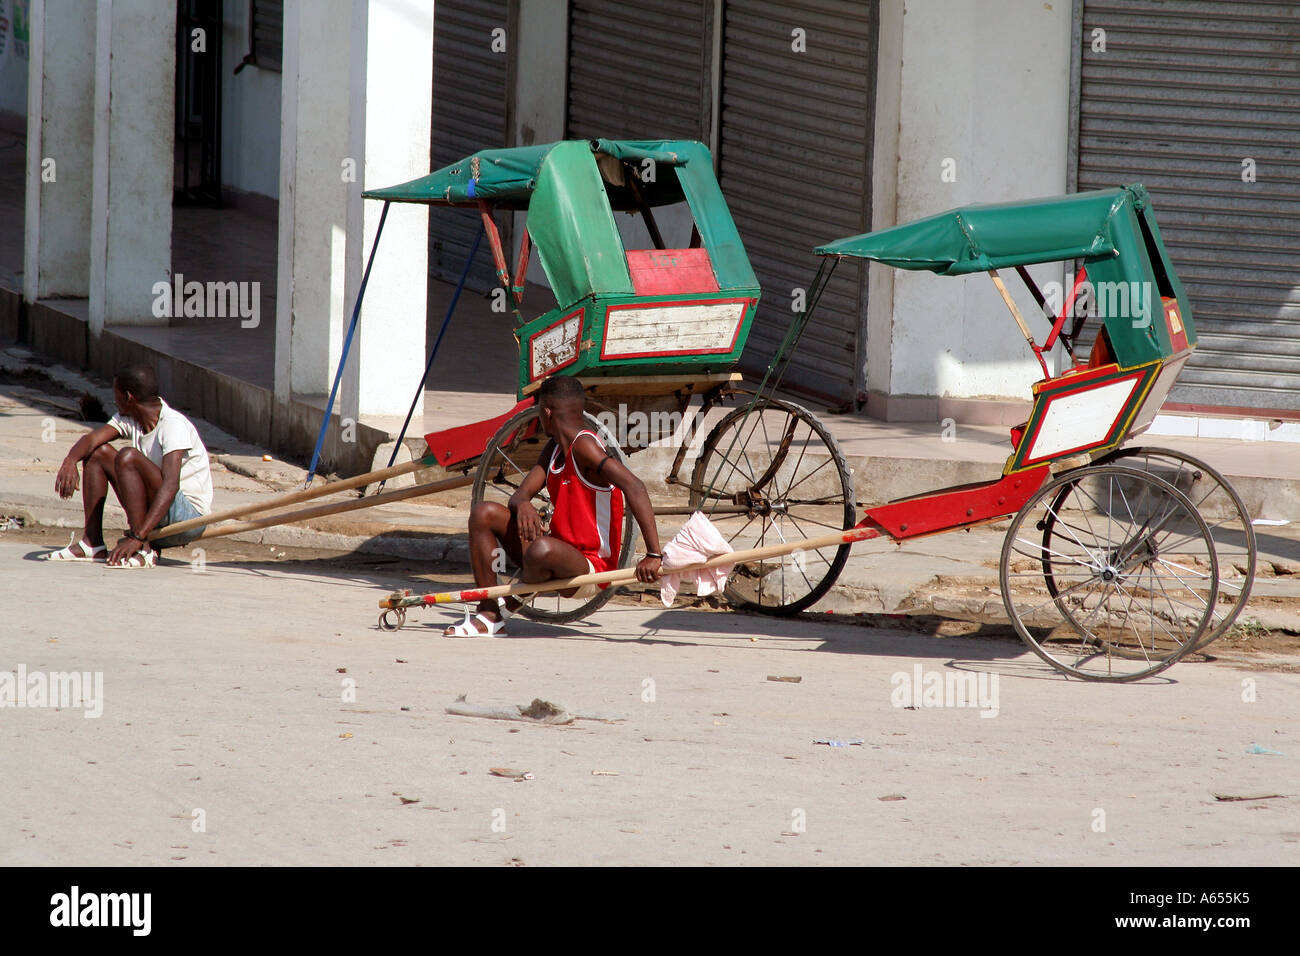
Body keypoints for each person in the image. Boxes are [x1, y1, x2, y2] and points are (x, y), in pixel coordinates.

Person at [446, 375, 662, 636]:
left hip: (589, 567)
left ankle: (506, 607)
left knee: (541, 548)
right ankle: (489, 612)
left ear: (546, 412)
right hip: (550, 551)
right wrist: (523, 503)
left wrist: (653, 555)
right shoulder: (554, 448)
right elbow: (519, 495)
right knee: (483, 513)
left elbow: (635, 486)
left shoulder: (585, 446)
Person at [47, 364, 214, 568]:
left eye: (115, 393)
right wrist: (70, 460)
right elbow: (91, 440)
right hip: (154, 515)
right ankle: (92, 544)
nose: (113, 400)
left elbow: (171, 485)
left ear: (128, 397)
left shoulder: (173, 425)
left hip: (187, 520)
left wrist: (138, 536)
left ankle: (143, 547)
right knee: (98, 453)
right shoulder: (130, 418)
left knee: (128, 456)